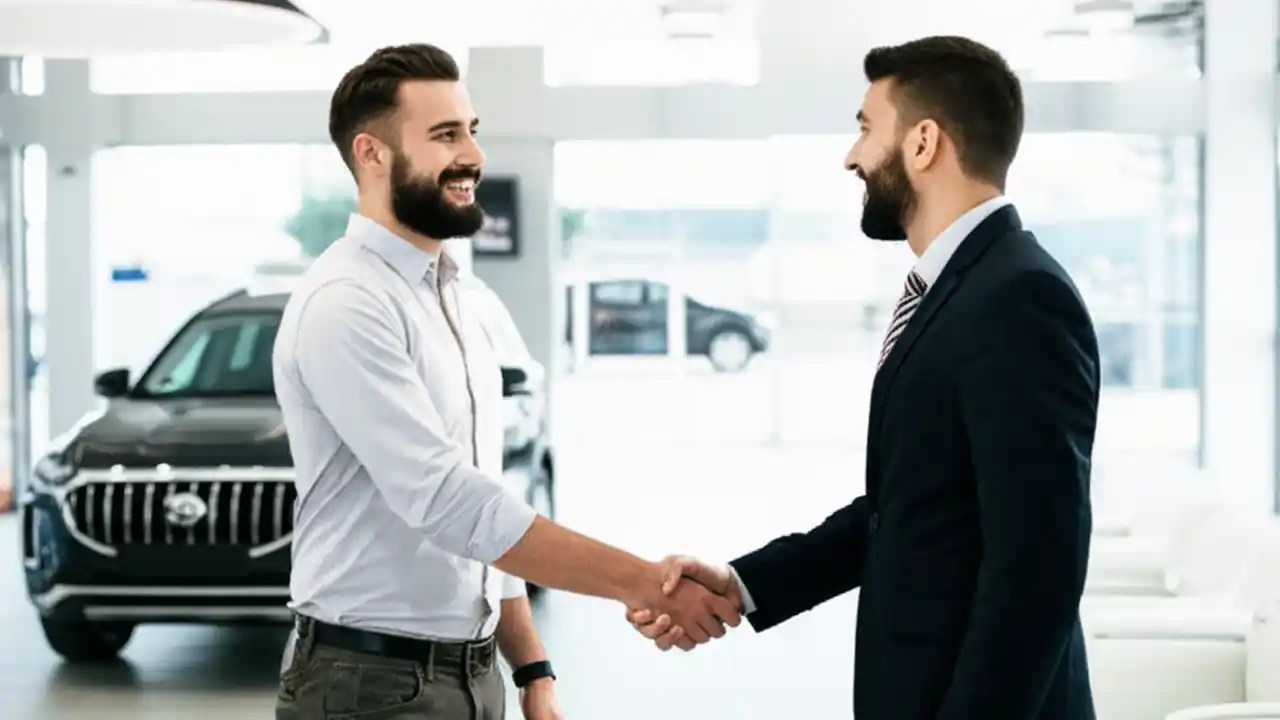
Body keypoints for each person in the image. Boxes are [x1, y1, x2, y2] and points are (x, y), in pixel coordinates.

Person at [629, 35, 1100, 719]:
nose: (851, 156)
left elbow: (1038, 566)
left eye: (865, 128)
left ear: (923, 143)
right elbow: (906, 507)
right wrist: (743, 583)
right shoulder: (963, 290)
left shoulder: (1018, 297)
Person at [272, 43, 739, 720]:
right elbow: (448, 502)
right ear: (371, 155)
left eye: (471, 130)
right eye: (444, 135)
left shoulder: (456, 296)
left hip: (471, 672)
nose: (473, 155)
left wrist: (533, 669)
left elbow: (484, 509)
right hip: (366, 685)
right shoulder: (346, 303)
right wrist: (643, 581)